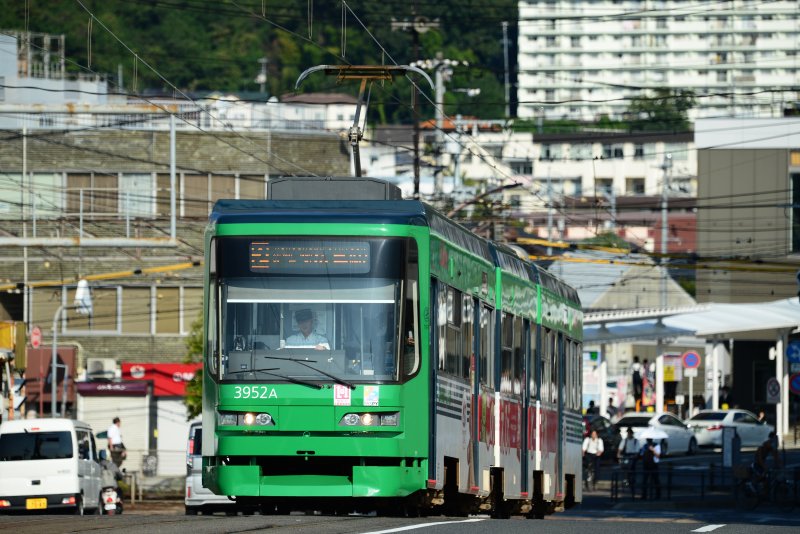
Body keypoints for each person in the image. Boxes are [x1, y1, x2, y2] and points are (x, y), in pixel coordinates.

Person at [618, 426, 639, 495]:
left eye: (630, 433)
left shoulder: (636, 441)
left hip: (633, 456)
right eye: (628, 433)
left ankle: (632, 481)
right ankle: (626, 479)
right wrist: (618, 454)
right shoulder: (625, 440)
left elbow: (637, 450)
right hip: (627, 455)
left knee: (632, 468)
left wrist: (635, 455)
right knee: (625, 468)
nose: (629, 434)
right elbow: (620, 448)